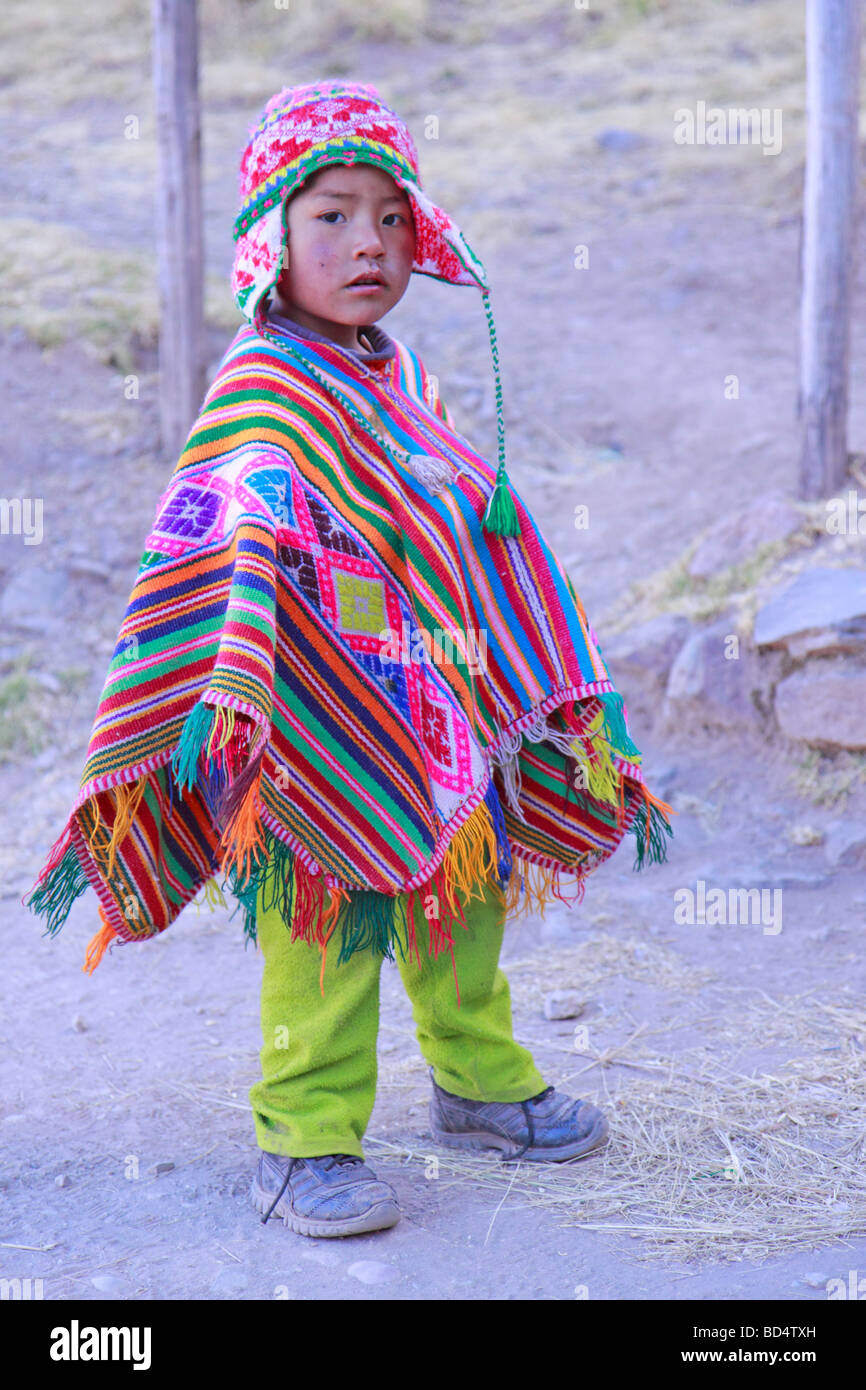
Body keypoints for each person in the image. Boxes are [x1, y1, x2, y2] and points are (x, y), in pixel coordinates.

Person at [25, 81, 674, 1240]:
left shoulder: (393, 370)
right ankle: (303, 1136)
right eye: (329, 215)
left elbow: (454, 526)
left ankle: (475, 1079)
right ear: (269, 240)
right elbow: (224, 545)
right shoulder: (265, 387)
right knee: (326, 927)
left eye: (386, 215)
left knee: (455, 907)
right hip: (306, 729)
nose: (365, 241)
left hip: (434, 716)